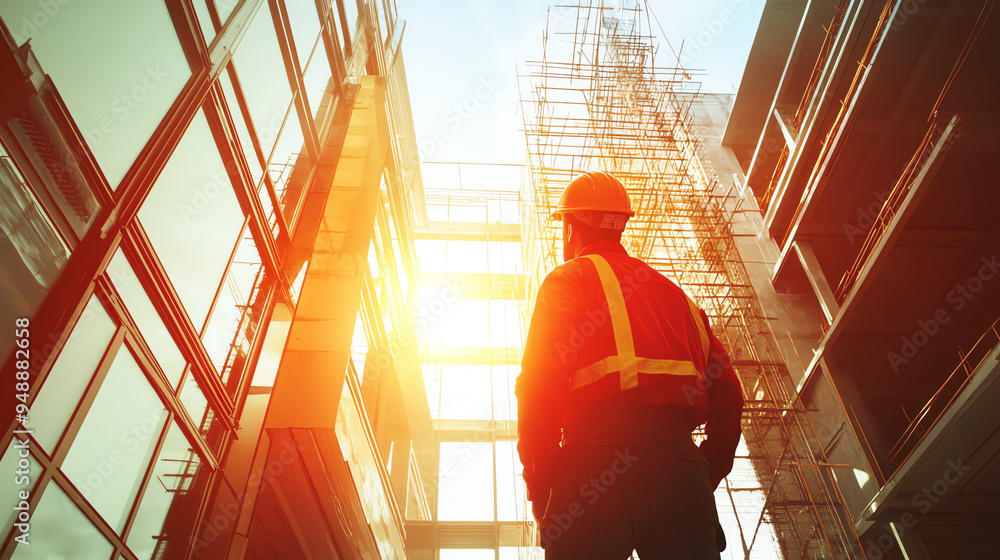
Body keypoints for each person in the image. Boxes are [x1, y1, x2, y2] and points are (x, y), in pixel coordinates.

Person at [516, 171, 745, 559]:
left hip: (597, 460)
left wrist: (543, 488)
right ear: (620, 225)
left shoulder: (569, 279)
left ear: (571, 229)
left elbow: (537, 387)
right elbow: (729, 396)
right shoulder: (678, 298)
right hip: (683, 465)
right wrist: (705, 469)